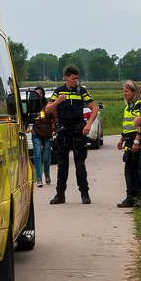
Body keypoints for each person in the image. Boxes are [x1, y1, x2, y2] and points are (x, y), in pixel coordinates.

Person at [46, 66, 98, 204]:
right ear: (66, 77)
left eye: (77, 78)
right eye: (73, 78)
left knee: (80, 164)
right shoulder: (58, 91)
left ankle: (85, 194)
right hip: (63, 130)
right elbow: (47, 109)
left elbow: (94, 107)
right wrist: (58, 101)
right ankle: (60, 194)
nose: (76, 81)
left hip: (78, 130)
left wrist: (89, 124)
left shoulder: (81, 91)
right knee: (62, 164)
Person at [117, 80, 141, 208]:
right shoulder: (128, 106)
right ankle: (130, 197)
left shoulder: (139, 105)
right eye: (124, 91)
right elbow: (126, 125)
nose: (124, 94)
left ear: (134, 92)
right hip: (128, 140)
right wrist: (121, 139)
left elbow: (140, 126)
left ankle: (137, 197)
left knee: (135, 170)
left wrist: (137, 141)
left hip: (135, 140)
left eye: (126, 91)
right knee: (129, 169)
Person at [30, 86, 55, 187]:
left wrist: (54, 129)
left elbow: (54, 117)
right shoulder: (31, 107)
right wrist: (30, 127)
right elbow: (27, 118)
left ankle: (47, 175)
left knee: (46, 157)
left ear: (43, 94)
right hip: (36, 133)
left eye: (40, 93)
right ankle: (39, 179)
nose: (38, 95)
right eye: (36, 93)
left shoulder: (48, 105)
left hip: (47, 134)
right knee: (37, 155)